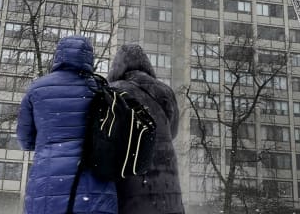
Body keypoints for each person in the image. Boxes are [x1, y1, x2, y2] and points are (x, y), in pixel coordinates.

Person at [17, 35, 118, 214]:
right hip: (93, 182)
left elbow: (25, 139)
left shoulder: (38, 88)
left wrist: (48, 144)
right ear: (88, 57)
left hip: (47, 180)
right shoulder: (100, 89)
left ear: (59, 56)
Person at [107, 43, 184, 214]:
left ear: (118, 66)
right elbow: (173, 131)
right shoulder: (165, 91)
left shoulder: (112, 91)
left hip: (130, 184)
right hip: (168, 188)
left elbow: (105, 137)